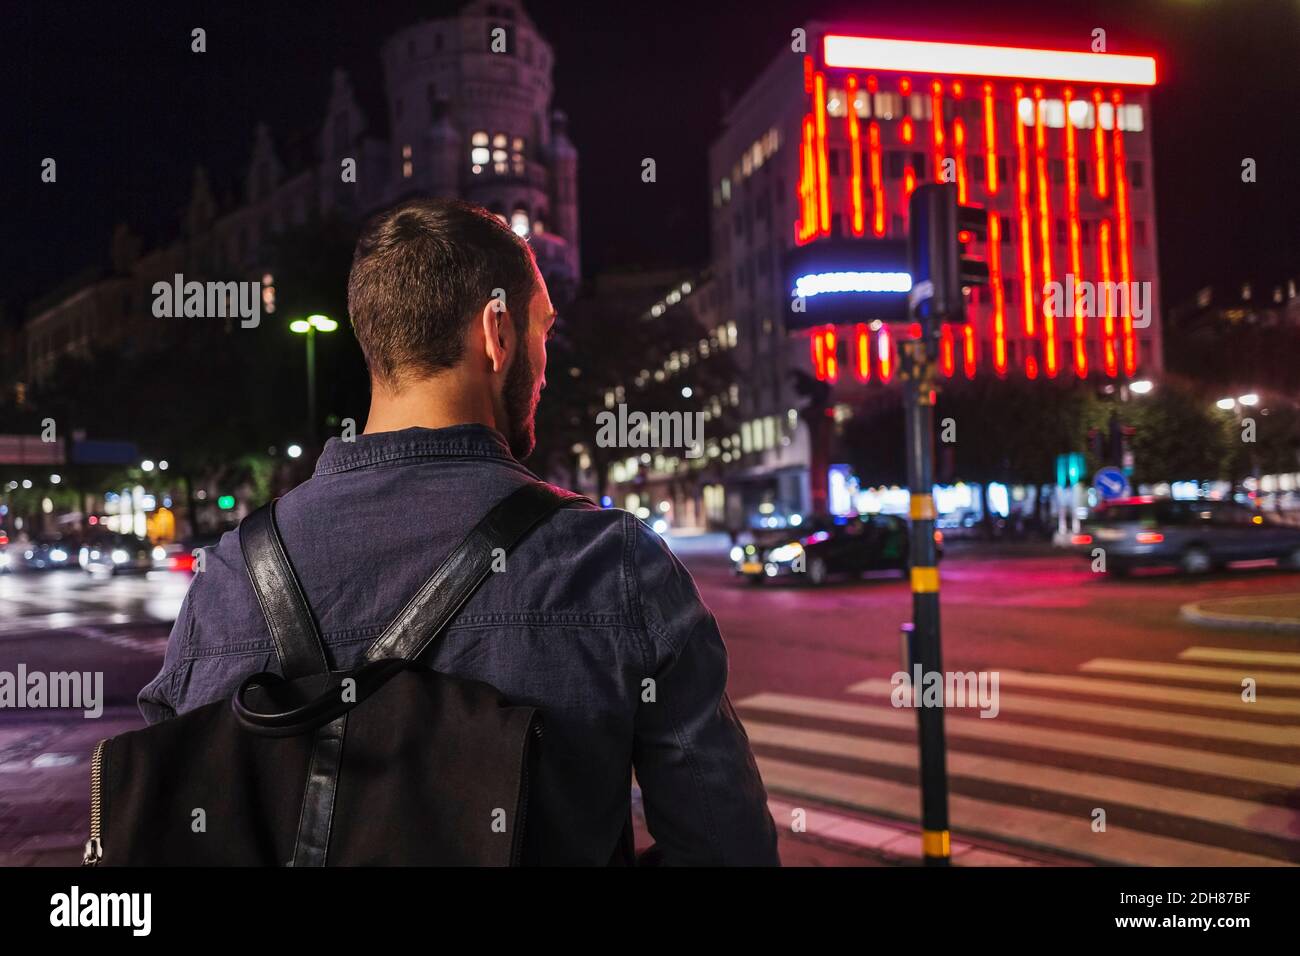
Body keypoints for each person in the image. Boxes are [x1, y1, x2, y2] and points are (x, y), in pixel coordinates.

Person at [139, 198, 780, 866]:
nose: (545, 361)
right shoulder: (611, 564)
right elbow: (728, 849)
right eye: (542, 331)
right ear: (496, 332)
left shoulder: (230, 578)